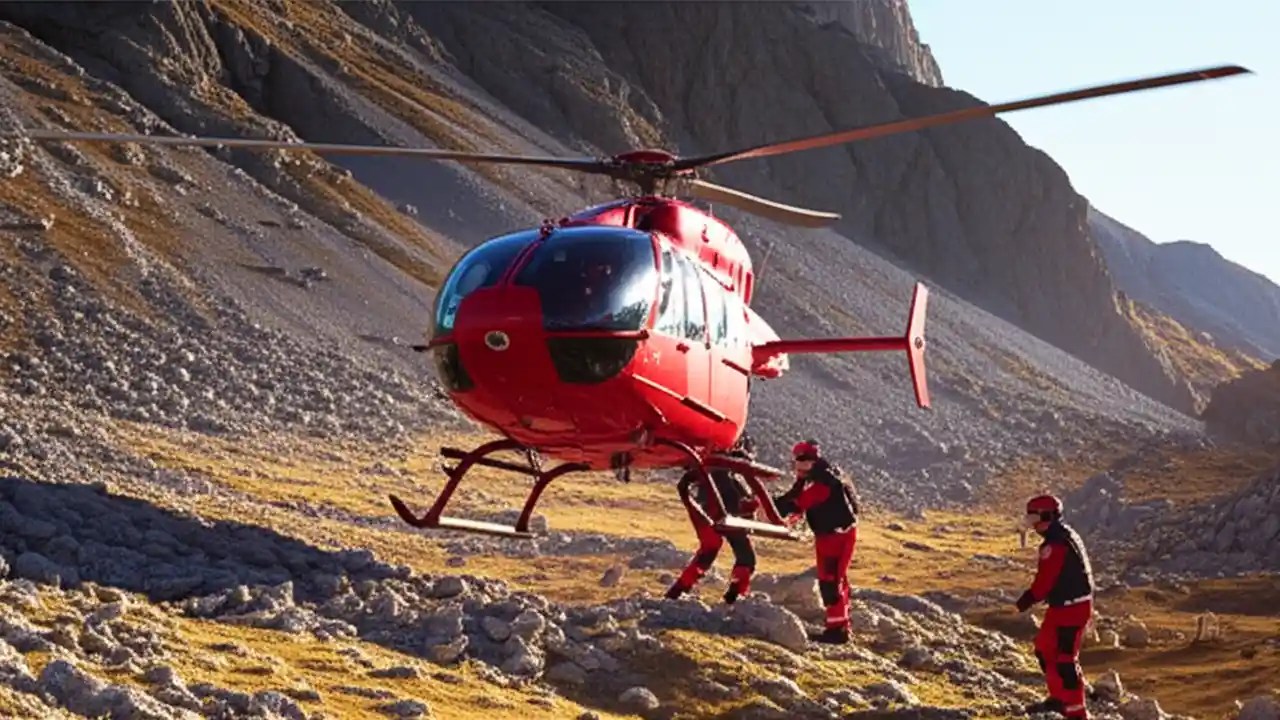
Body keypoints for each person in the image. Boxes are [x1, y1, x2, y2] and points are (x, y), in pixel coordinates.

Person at [772, 439, 861, 644]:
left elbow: (798, 503)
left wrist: (772, 507)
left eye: (801, 460)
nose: (797, 466)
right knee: (836, 579)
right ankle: (840, 625)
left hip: (835, 537)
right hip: (833, 534)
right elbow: (795, 496)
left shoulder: (821, 484)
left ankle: (837, 631)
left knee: (830, 582)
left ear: (811, 461)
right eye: (796, 461)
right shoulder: (820, 476)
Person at [1015, 494, 1096, 720]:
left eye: (1033, 518)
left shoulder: (1055, 545)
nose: (1030, 524)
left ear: (1046, 516)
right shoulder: (1066, 535)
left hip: (1073, 609)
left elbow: (1046, 580)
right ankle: (1058, 698)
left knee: (1065, 658)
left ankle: (1076, 711)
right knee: (1044, 647)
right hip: (1063, 606)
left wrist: (1027, 600)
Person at [666, 434, 760, 605]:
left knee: (708, 552)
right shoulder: (727, 470)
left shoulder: (706, 468)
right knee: (746, 558)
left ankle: (677, 592)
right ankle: (734, 598)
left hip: (706, 508)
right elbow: (738, 495)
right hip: (724, 512)